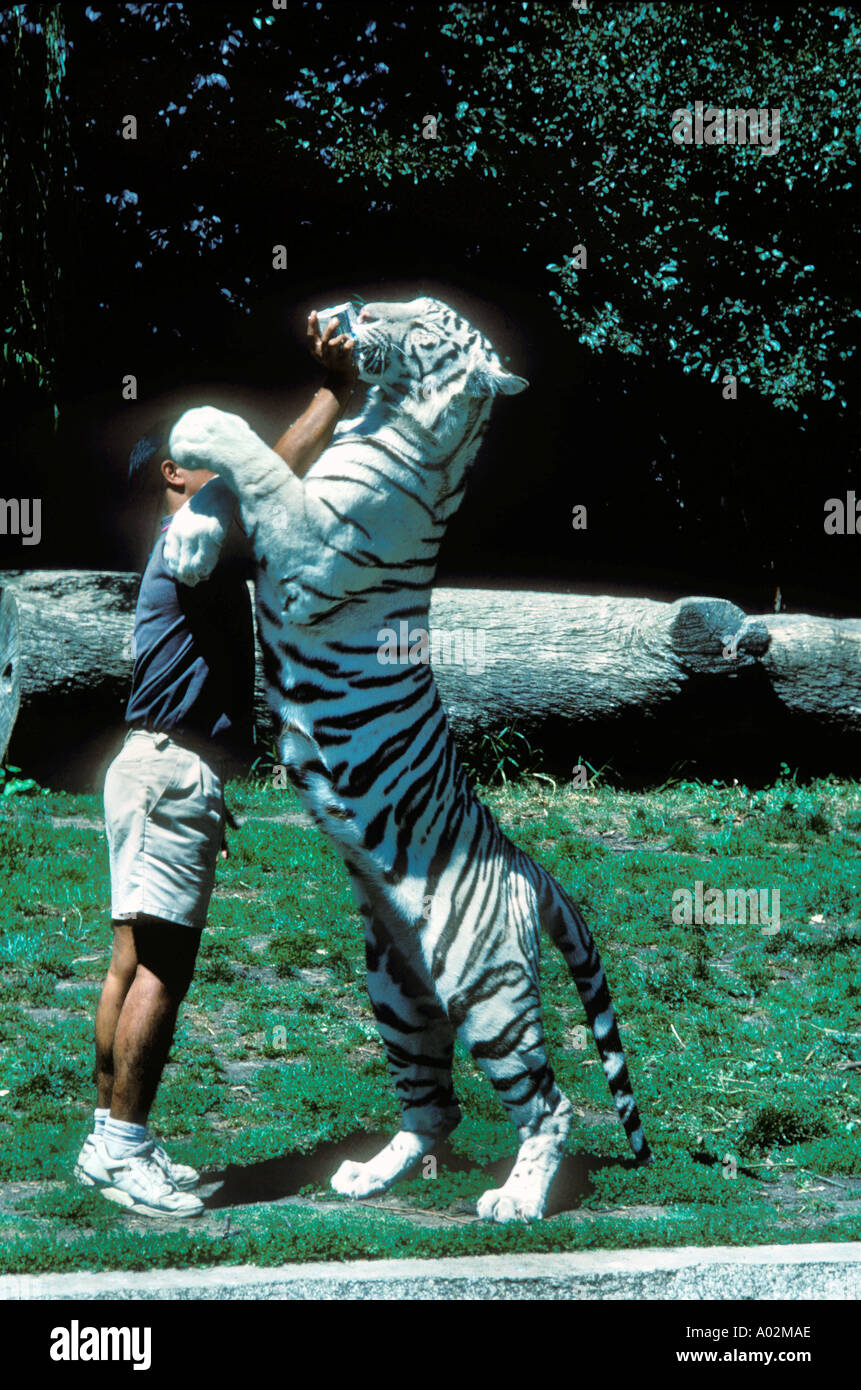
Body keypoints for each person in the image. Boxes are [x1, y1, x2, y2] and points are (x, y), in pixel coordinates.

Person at [74, 313, 357, 1217]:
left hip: (150, 768)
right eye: (209, 455)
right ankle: (125, 1149)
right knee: (164, 968)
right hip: (166, 775)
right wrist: (337, 391)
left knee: (131, 960)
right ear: (175, 474)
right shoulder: (196, 532)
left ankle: (103, 1138)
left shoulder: (192, 549)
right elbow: (278, 472)